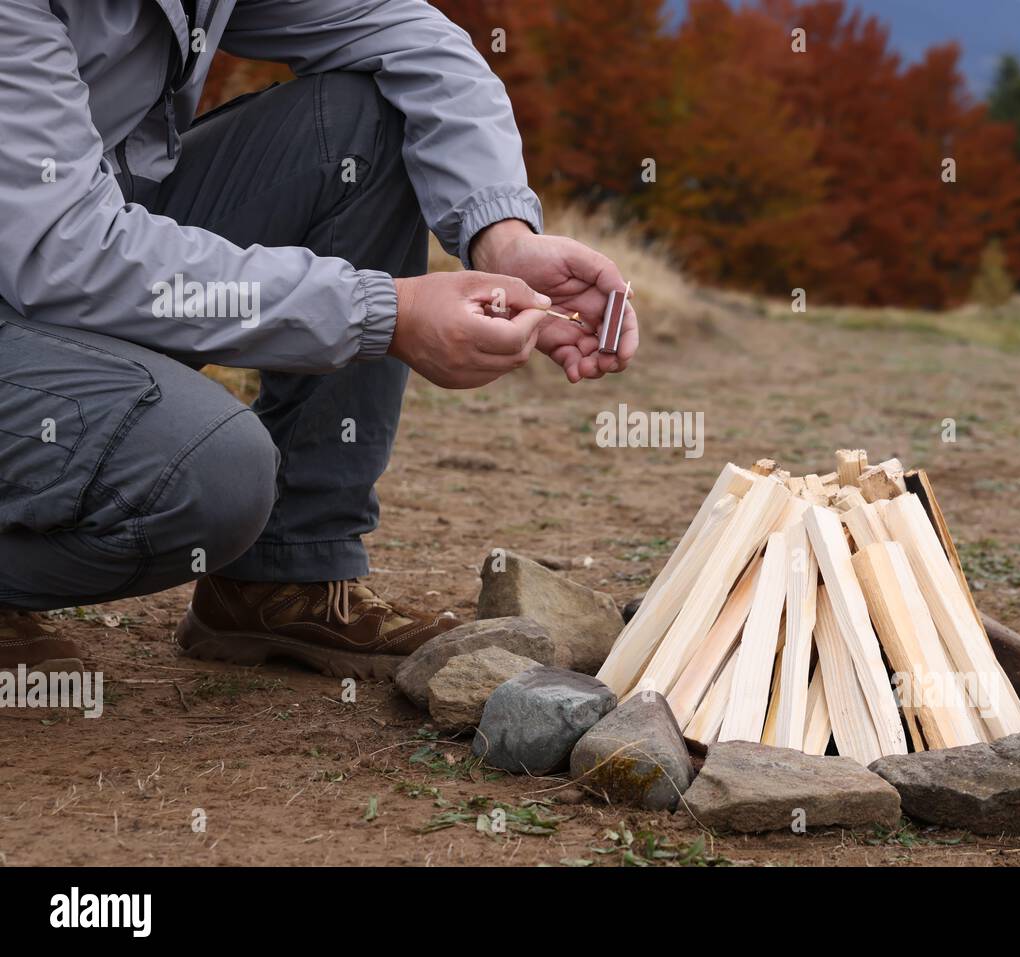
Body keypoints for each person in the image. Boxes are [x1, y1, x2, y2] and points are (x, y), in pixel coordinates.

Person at [0, 0, 638, 679]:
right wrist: (383, 311)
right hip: (50, 253)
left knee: (367, 122)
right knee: (210, 471)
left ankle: (283, 575)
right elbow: (64, 250)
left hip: (62, 252)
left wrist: (503, 235)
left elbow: (410, 36)